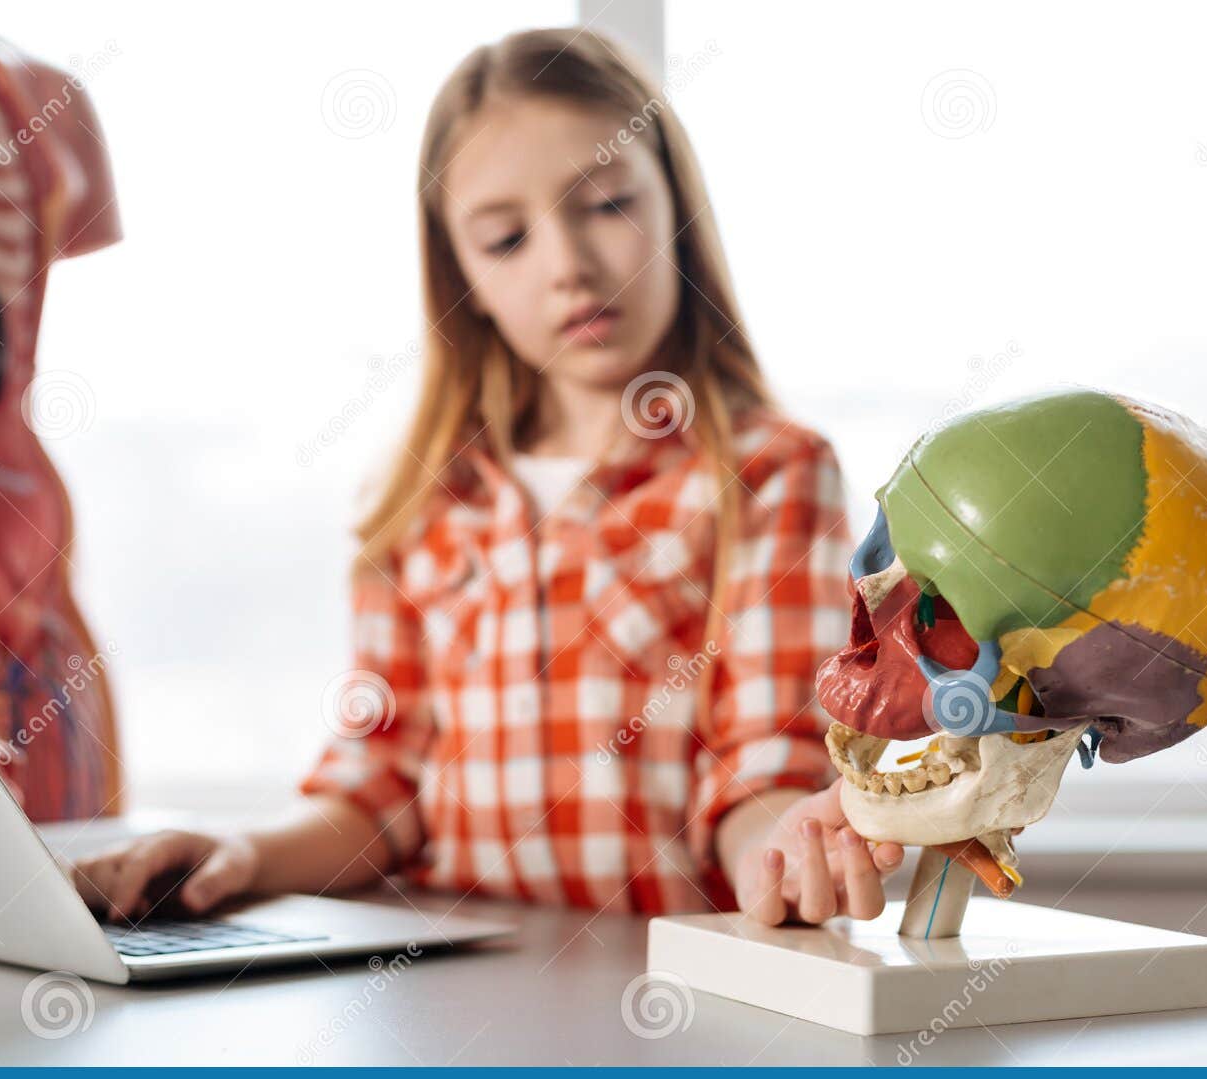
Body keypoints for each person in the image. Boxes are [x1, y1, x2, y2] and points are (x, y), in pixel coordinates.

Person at [73, 27, 904, 927]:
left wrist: (784, 851)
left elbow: (761, 772)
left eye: (608, 204)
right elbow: (376, 788)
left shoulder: (768, 471)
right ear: (459, 271)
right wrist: (242, 853)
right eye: (507, 239)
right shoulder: (423, 499)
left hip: (663, 1002)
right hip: (448, 999)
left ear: (677, 206)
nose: (569, 267)